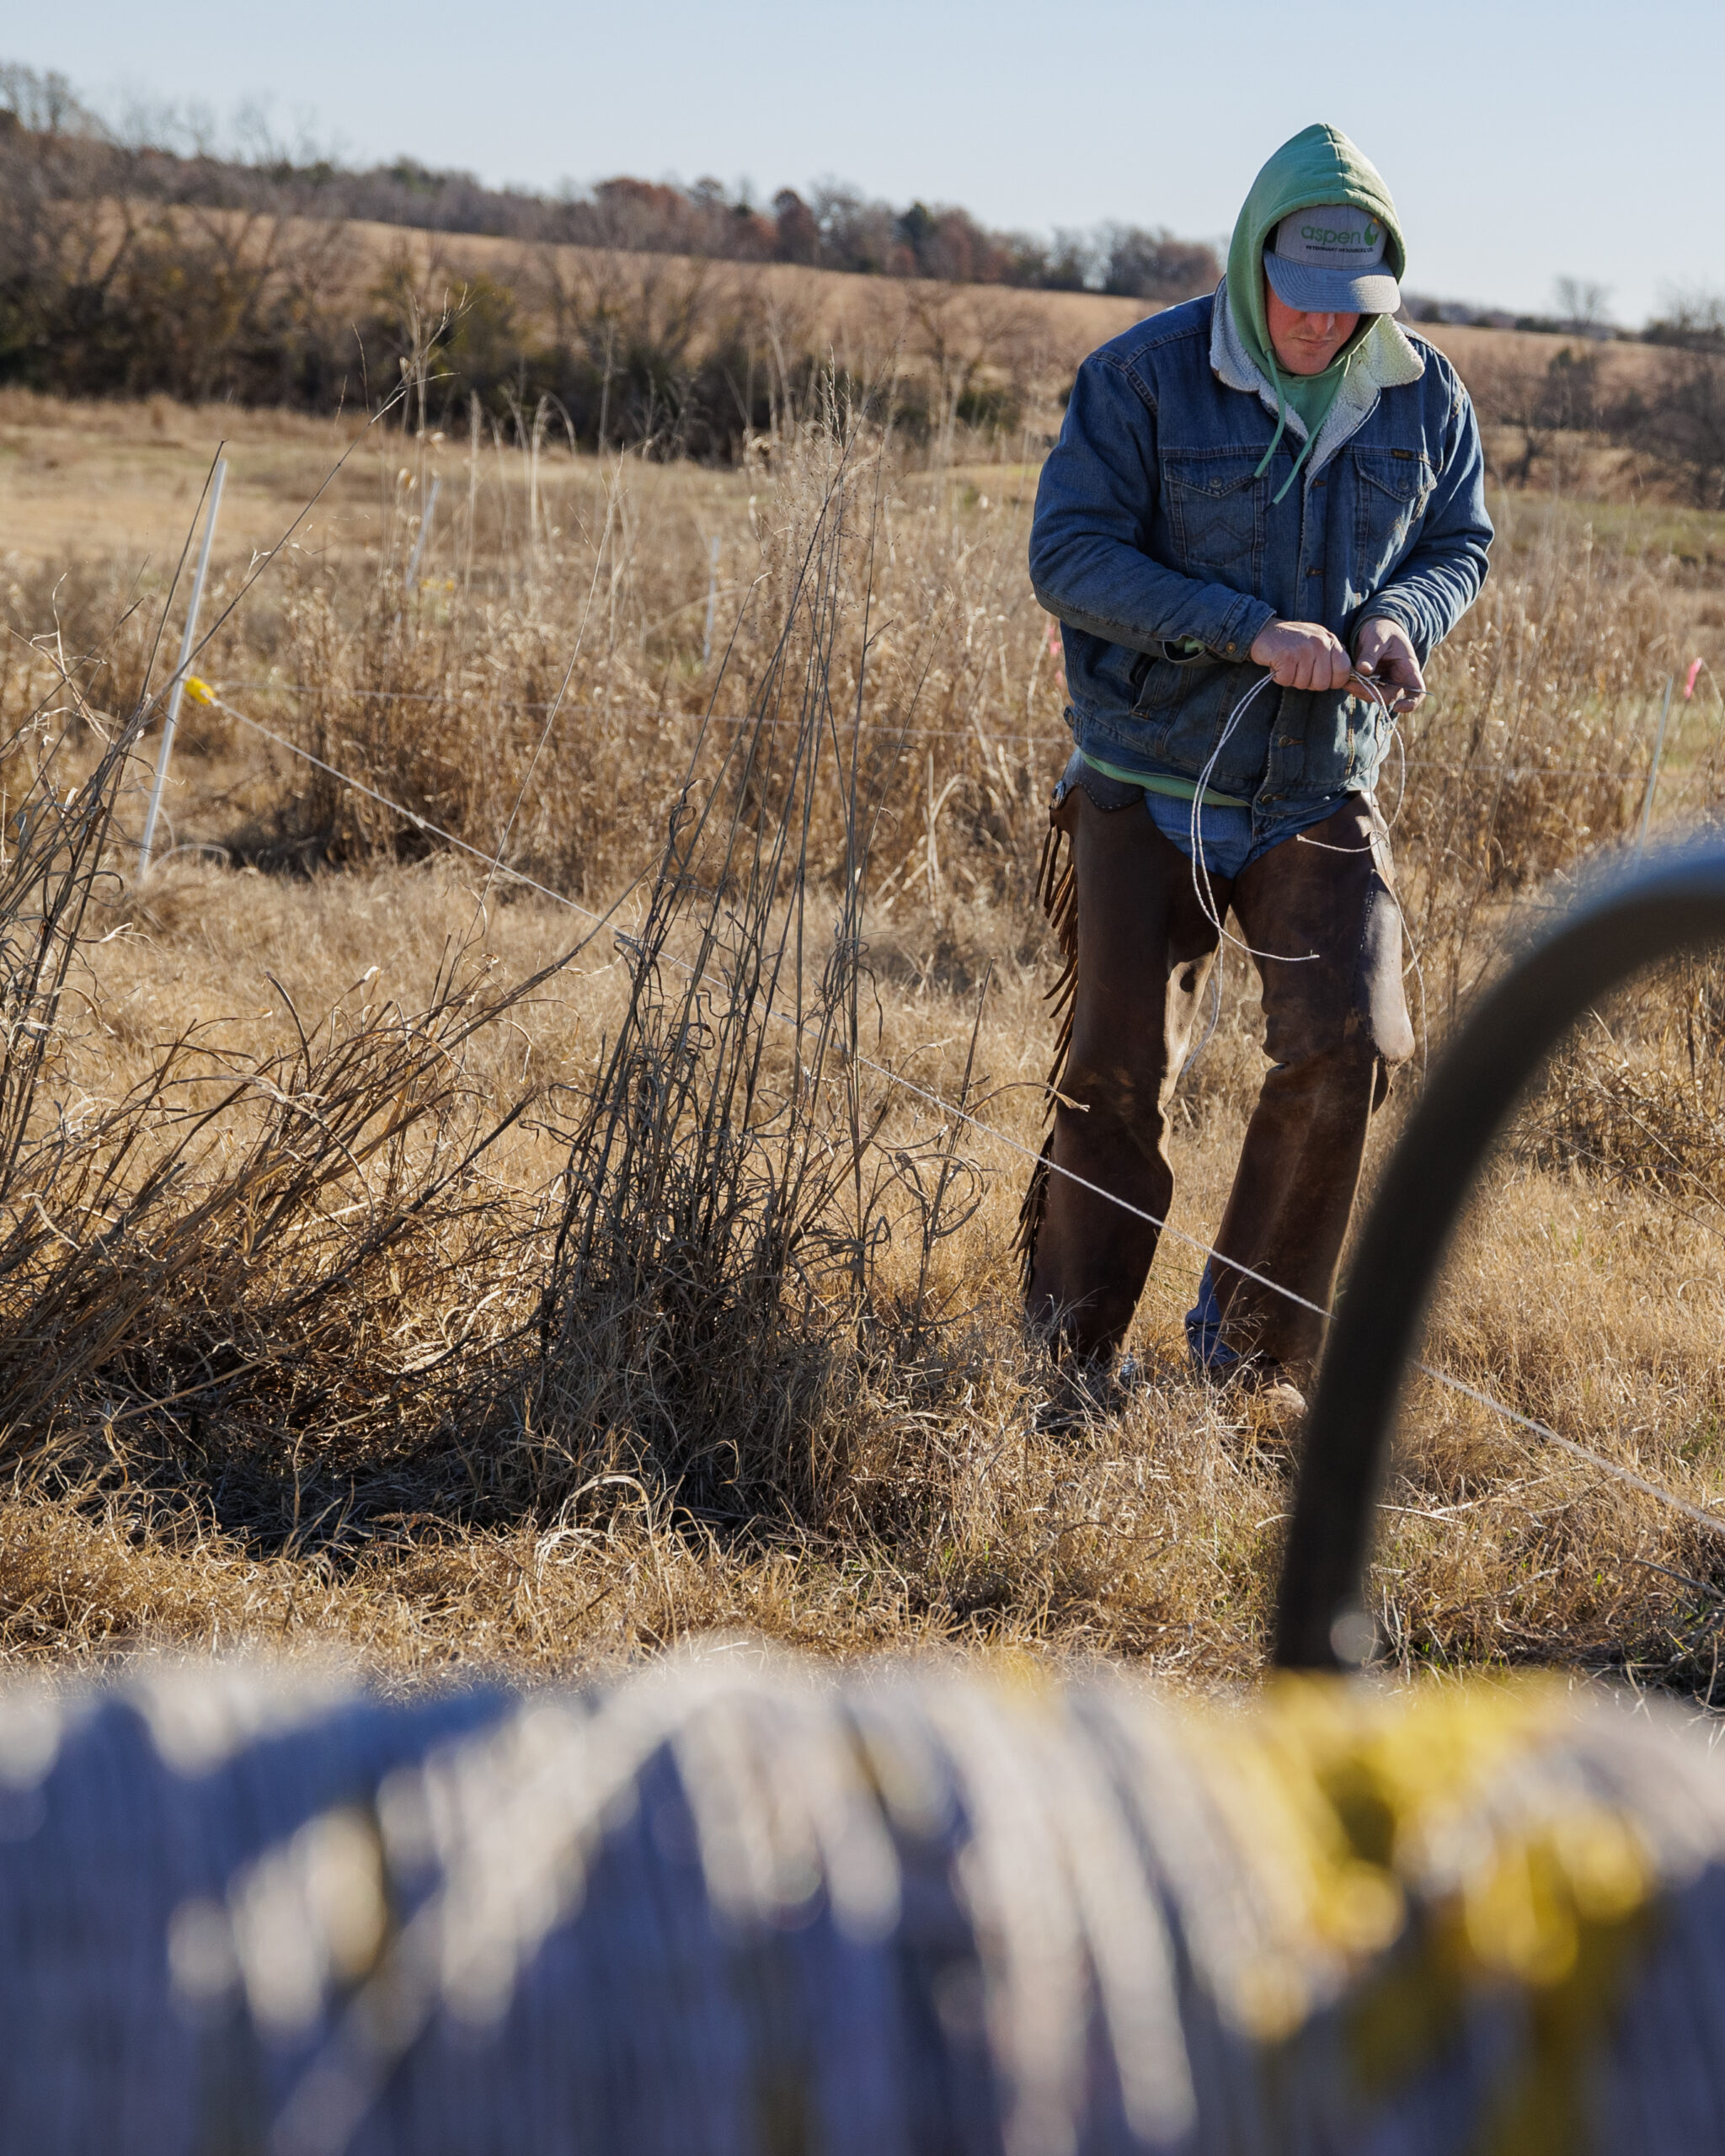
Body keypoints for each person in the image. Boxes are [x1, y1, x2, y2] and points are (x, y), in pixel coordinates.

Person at [1021, 122, 1492, 1411]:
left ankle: (1246, 1360)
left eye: (1353, 308)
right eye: (1301, 299)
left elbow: (1459, 541)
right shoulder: (1144, 378)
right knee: (1116, 1077)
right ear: (1249, 263)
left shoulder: (1425, 393)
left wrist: (1402, 619)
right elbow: (1067, 555)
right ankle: (1065, 1365)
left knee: (1354, 1039)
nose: (1322, 329)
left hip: (1317, 782)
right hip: (1144, 775)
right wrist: (1243, 628)